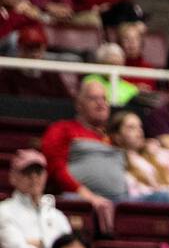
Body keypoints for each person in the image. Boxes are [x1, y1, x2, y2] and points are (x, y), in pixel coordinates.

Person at [40, 78, 120, 228]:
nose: (101, 103)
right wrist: (87, 195)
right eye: (93, 98)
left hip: (118, 200)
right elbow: (55, 167)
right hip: (77, 198)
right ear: (79, 104)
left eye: (104, 98)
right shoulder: (62, 129)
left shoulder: (113, 138)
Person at [0, 149, 70, 248]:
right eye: (27, 173)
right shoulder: (3, 211)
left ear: (45, 176)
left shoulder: (57, 215)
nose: (34, 178)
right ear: (13, 177)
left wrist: (41, 243)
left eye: (38, 172)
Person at [110, 110, 169, 206]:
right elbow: (134, 191)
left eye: (140, 127)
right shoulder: (116, 160)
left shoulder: (157, 154)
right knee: (166, 197)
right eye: (131, 128)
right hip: (142, 203)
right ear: (117, 136)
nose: (139, 131)